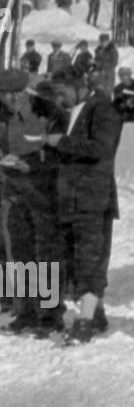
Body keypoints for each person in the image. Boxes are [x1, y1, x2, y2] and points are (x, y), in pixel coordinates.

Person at [45, 65, 121, 344]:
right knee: (77, 260)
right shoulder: (67, 113)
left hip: (93, 199)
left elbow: (102, 148)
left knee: (89, 260)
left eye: (61, 91)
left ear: (79, 85)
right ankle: (97, 312)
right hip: (71, 199)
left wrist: (62, 142)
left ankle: (86, 321)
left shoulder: (103, 110)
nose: (58, 97)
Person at [0, 71, 66, 337]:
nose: (14, 99)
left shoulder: (48, 111)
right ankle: (25, 310)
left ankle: (50, 315)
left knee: (46, 255)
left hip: (43, 193)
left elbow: (63, 149)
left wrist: (36, 164)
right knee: (19, 252)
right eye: (7, 94)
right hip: (12, 192)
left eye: (19, 93)